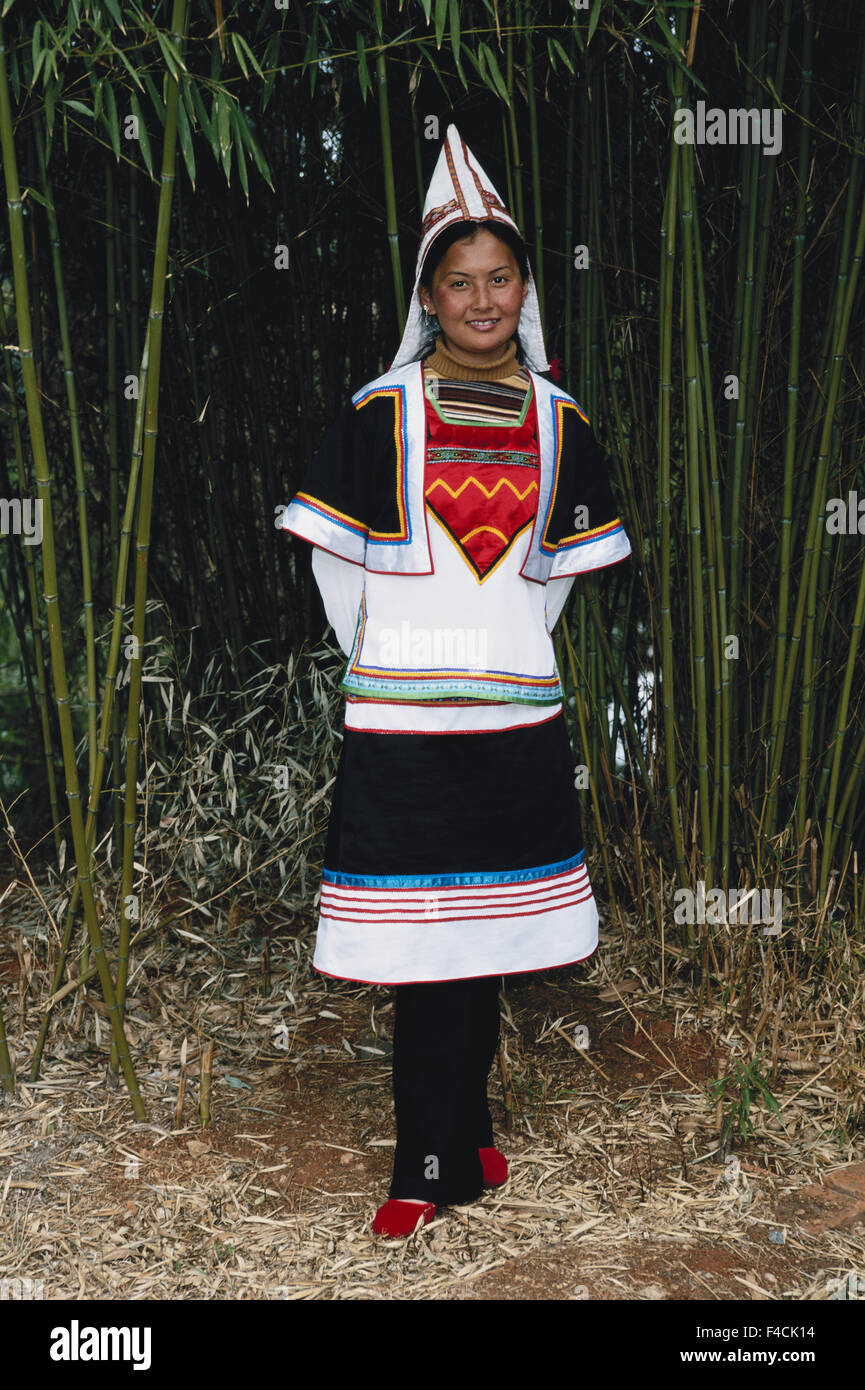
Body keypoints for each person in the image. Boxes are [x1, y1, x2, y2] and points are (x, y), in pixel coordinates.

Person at [278, 125, 631, 1238]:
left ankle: (467, 1125)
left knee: (481, 937)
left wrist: (500, 652)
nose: (482, 299)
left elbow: (552, 587)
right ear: (428, 296)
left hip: (515, 718)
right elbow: (339, 568)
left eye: (500, 278)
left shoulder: (562, 423)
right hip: (403, 724)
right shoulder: (379, 414)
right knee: (427, 946)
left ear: (522, 288)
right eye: (459, 281)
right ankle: (425, 1165)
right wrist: (398, 659)